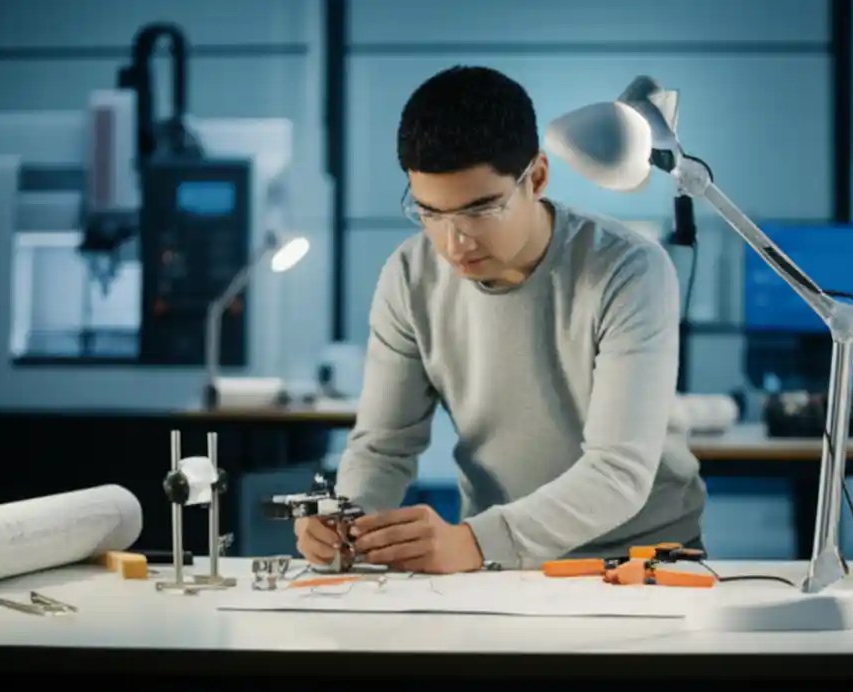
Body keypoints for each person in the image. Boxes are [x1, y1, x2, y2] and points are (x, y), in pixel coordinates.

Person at [294, 65, 706, 573]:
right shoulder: (408, 275)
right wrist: (346, 519)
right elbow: (382, 447)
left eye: (480, 209)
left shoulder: (629, 269)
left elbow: (618, 472)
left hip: (640, 557)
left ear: (536, 177)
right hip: (494, 562)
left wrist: (474, 542)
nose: (454, 242)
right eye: (430, 212)